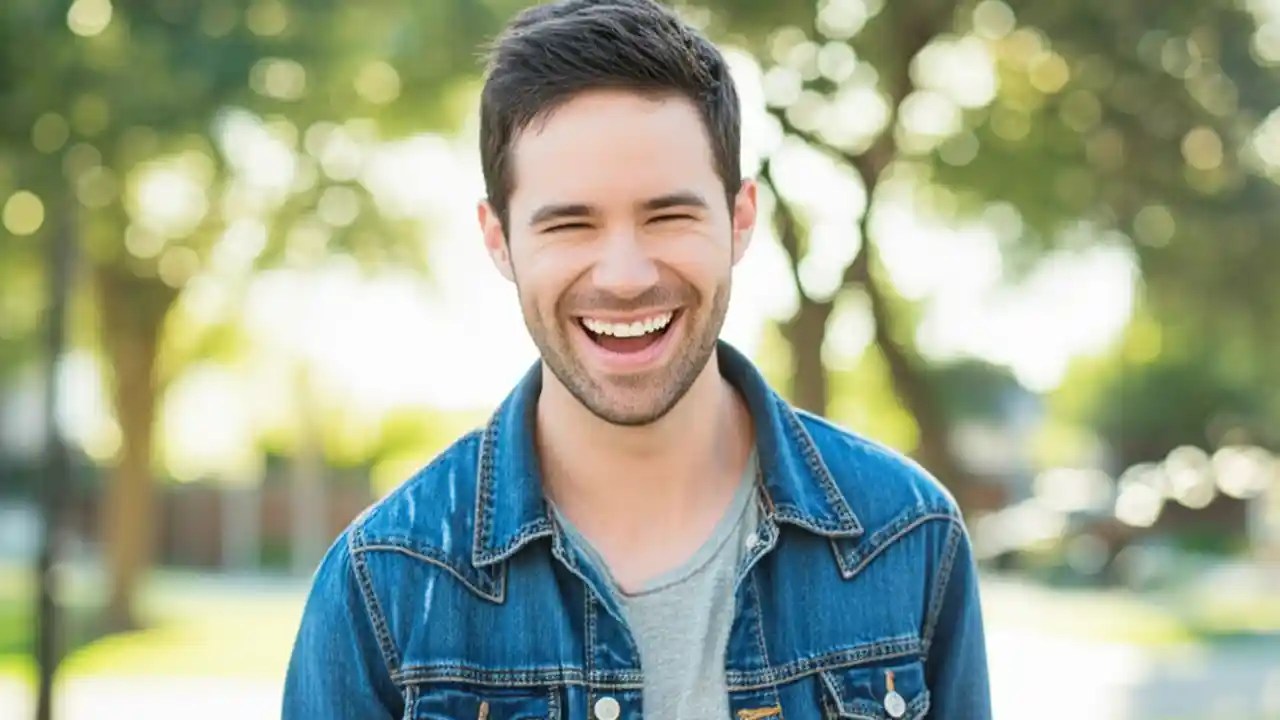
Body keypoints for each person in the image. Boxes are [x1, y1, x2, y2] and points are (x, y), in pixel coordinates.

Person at [282, 0, 991, 717]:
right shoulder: (384, 583)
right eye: (569, 223)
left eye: (668, 215)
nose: (624, 275)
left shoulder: (909, 536)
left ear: (740, 219)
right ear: (498, 239)